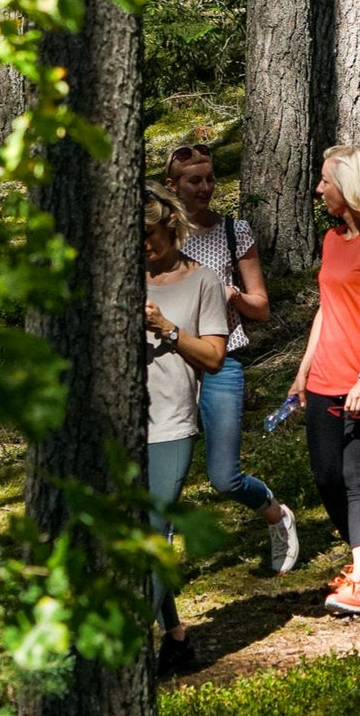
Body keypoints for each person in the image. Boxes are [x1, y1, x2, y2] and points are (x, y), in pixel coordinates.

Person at [165, 145, 297, 575]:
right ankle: (158, 567)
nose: (205, 188)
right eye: (194, 180)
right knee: (166, 476)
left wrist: (233, 295)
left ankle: (277, 516)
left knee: (224, 477)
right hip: (169, 365)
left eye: (209, 179)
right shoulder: (158, 239)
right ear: (173, 187)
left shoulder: (233, 232)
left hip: (223, 361)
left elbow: (262, 307)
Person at [289, 146, 360, 616]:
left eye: (326, 182)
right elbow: (326, 308)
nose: (319, 189)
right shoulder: (332, 240)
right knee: (326, 477)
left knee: (357, 474)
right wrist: (303, 371)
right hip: (324, 378)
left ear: (350, 186)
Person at [143, 183, 229, 677]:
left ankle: (130, 643)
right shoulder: (122, 273)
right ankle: (175, 636)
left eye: (150, 235)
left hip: (171, 422)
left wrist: (169, 331)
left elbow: (215, 358)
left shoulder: (204, 282)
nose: (143, 246)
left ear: (170, 227)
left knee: (155, 534)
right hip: (122, 424)